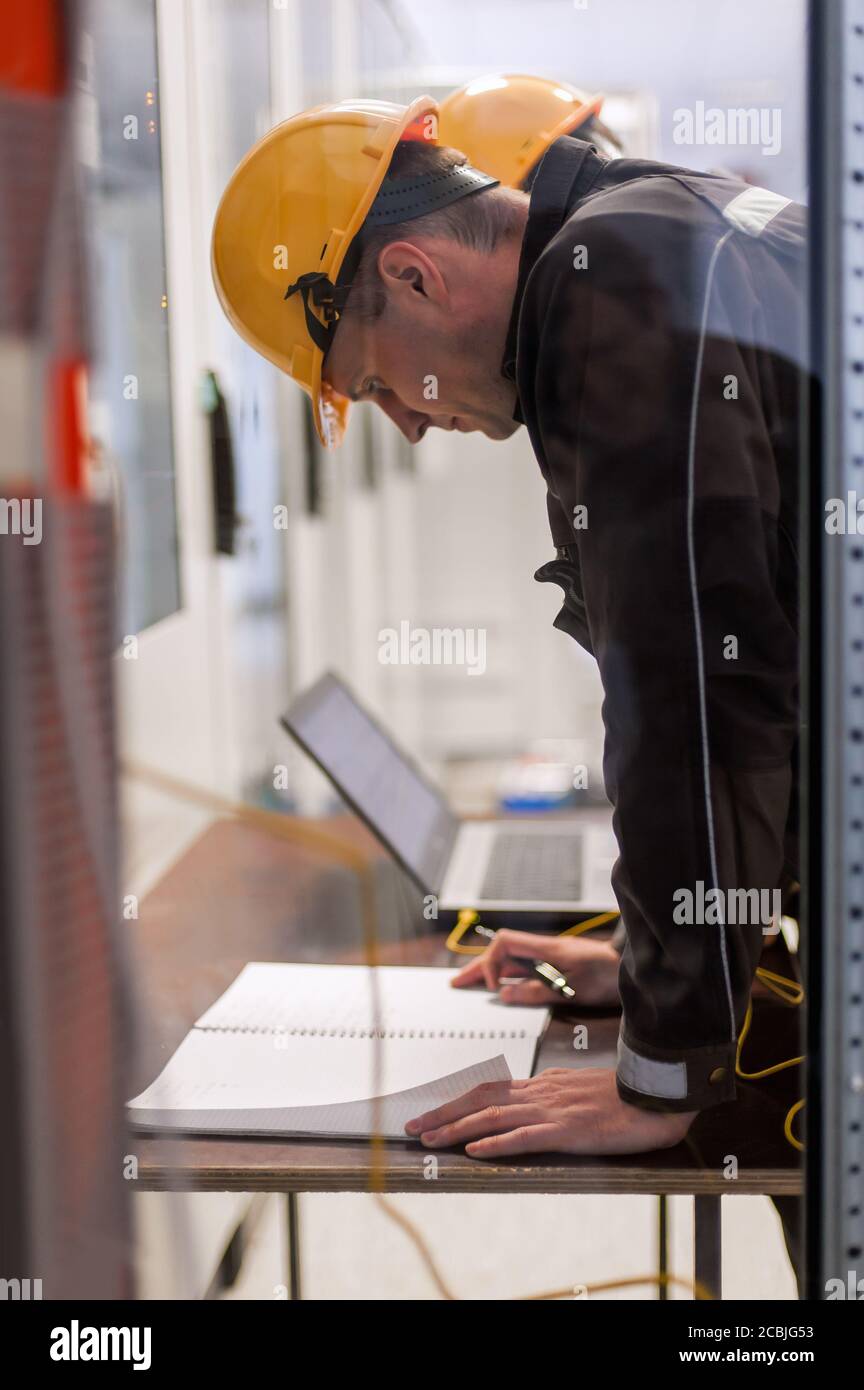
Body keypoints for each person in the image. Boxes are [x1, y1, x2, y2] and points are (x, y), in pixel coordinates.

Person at [212, 95, 804, 1159]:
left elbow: (697, 696)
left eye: (377, 381)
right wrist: (650, 963)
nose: (407, 422)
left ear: (412, 274)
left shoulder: (612, 287)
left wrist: (661, 1073)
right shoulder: (642, 230)